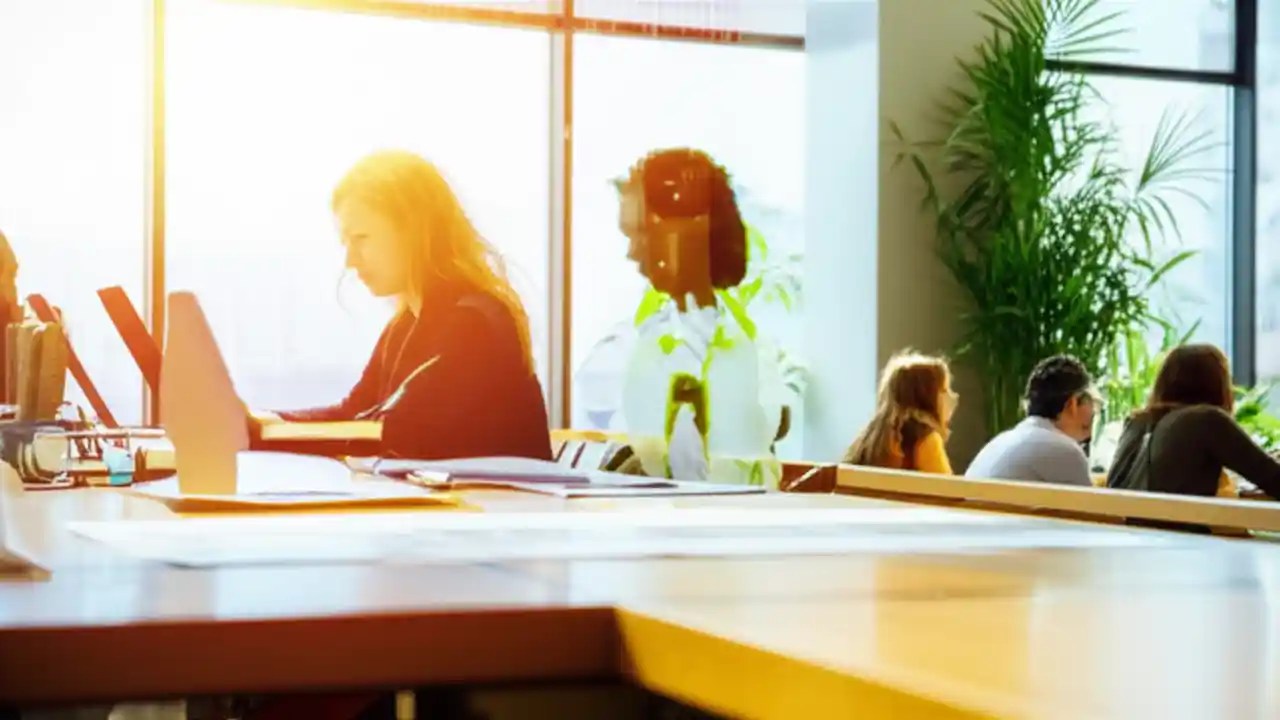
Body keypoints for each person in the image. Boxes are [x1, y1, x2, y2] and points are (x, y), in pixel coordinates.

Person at [259, 150, 551, 461]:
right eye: (346, 243)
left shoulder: (473, 324)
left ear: (414, 231)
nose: (350, 261)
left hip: (496, 509)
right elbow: (354, 414)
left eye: (361, 238)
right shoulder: (405, 326)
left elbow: (388, 434)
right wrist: (264, 423)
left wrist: (261, 434)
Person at [615, 148, 784, 486]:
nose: (632, 252)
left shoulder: (740, 348)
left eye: (641, 233)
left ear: (691, 230)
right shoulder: (649, 341)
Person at [1107, 344, 1280, 501]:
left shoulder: (1137, 421)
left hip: (1126, 534)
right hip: (1180, 535)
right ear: (1218, 384)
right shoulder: (1208, 420)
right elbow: (1273, 479)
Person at [966, 355, 1097, 486]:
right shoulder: (1066, 451)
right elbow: (1093, 505)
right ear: (1072, 404)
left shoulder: (998, 442)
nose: (1094, 411)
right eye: (1092, 402)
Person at [842, 352, 956, 474]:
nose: (952, 397)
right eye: (944, 390)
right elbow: (946, 490)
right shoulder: (926, 439)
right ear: (926, 396)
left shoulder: (870, 439)